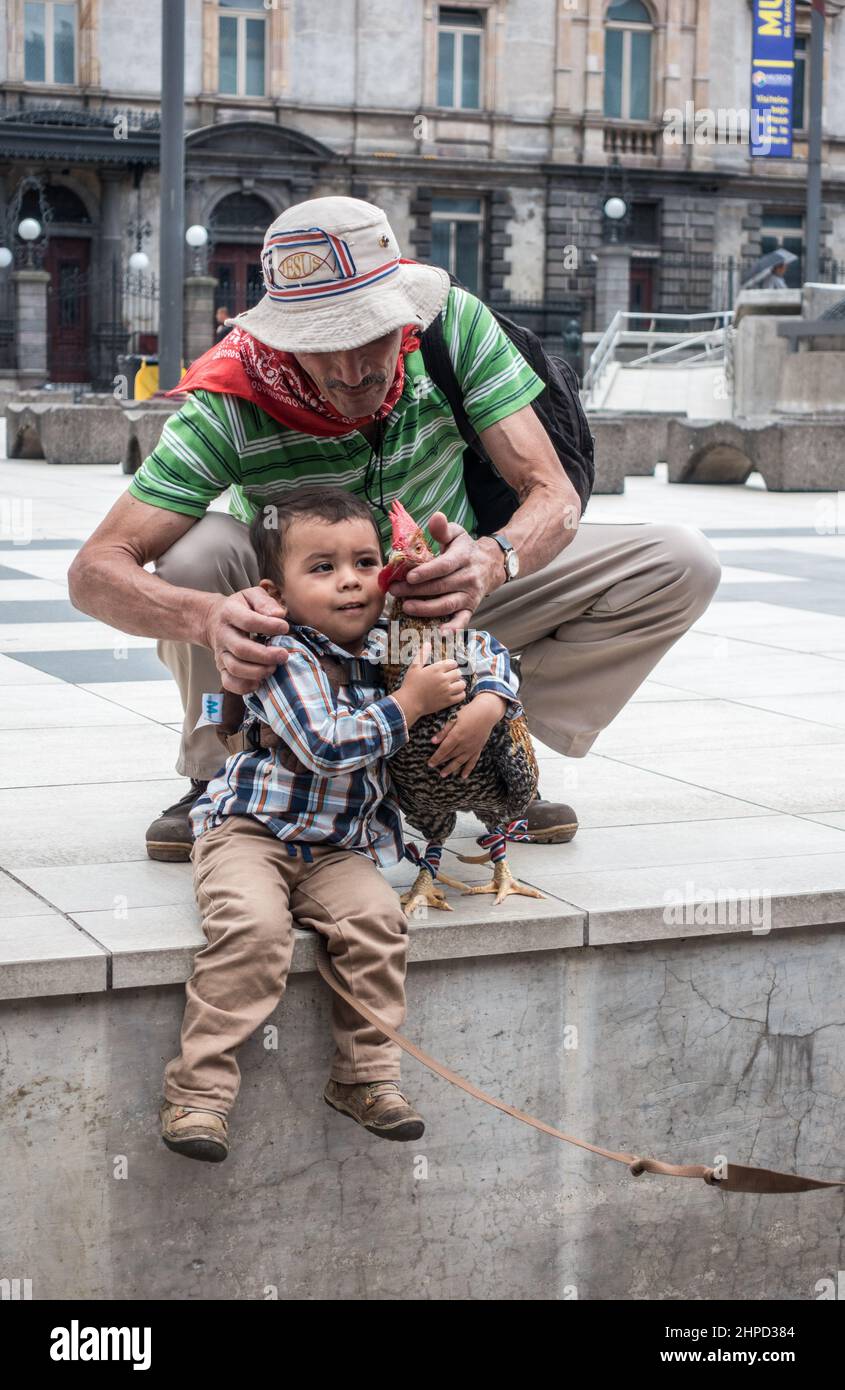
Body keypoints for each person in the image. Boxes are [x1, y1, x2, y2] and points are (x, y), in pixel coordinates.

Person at [67, 195, 721, 863]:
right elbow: (94, 570)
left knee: (680, 560)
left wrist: (494, 560)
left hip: (445, 604)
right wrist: (208, 617)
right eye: (321, 347)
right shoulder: (231, 400)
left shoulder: (454, 329)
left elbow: (550, 494)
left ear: (406, 311)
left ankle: (480, 755)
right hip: (309, 631)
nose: (351, 372)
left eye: (371, 334)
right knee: (197, 555)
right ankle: (225, 769)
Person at [161, 484, 515, 1161]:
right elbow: (325, 748)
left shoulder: (391, 641)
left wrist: (489, 702)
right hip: (253, 832)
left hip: (338, 848)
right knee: (253, 931)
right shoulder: (280, 654)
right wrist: (409, 705)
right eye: (321, 568)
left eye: (363, 562)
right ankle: (198, 1093)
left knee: (379, 925)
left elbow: (484, 649)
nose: (349, 581)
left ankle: (364, 1078)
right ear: (276, 591)